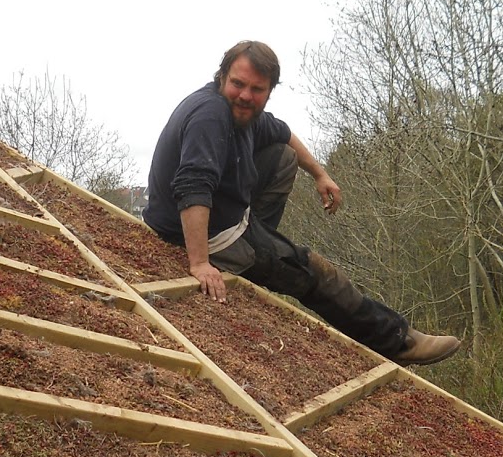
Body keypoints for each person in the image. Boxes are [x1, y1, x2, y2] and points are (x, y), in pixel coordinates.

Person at [143, 40, 461, 366]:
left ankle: (258, 247)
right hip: (202, 233)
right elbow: (193, 185)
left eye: (257, 89)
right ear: (222, 76)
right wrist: (198, 263)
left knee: (284, 158)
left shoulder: (246, 114)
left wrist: (321, 175)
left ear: (269, 92)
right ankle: (398, 342)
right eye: (238, 84)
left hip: (220, 213)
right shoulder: (210, 115)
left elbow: (283, 133)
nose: (245, 95)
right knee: (316, 273)